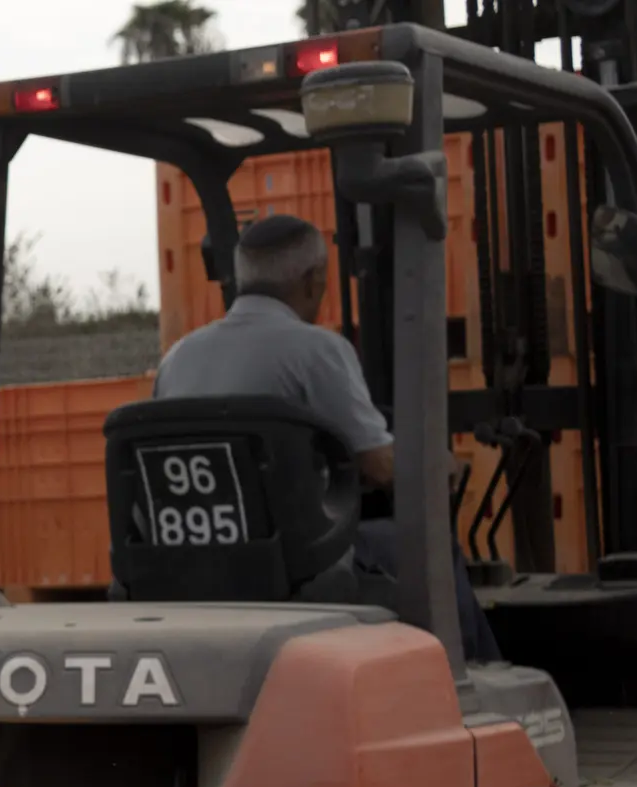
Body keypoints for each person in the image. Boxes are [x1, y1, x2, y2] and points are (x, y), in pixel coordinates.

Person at [154, 213, 501, 661]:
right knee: (430, 544)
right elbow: (381, 466)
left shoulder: (177, 359)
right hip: (292, 564)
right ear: (313, 279)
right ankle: (472, 679)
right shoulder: (316, 350)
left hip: (191, 559)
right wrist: (441, 464)